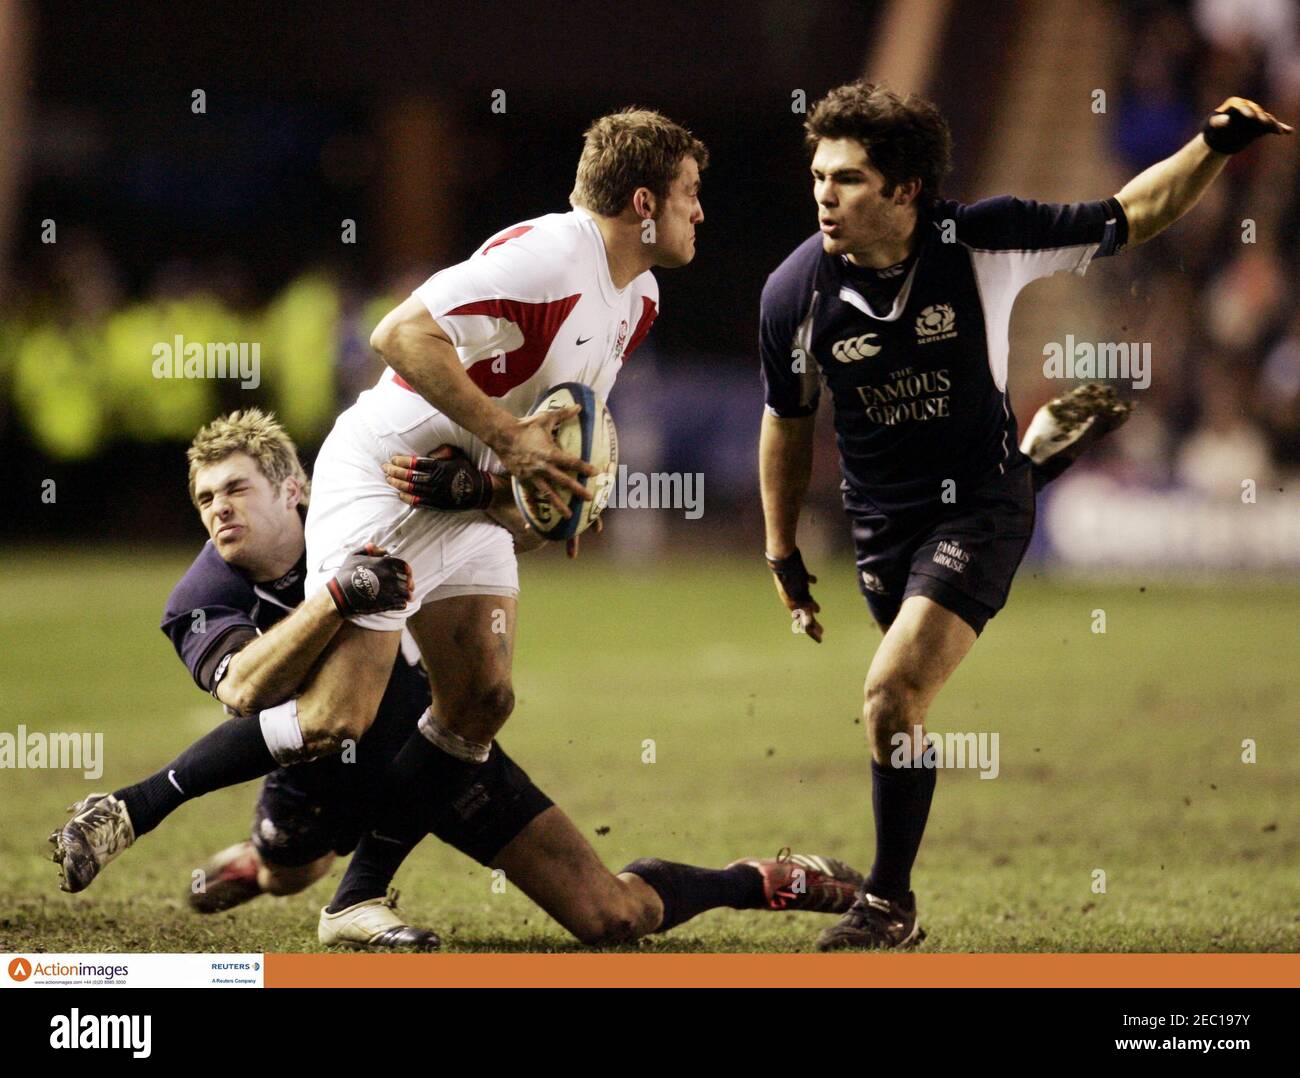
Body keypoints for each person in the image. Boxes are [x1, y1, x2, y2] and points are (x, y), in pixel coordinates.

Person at [757, 82, 1291, 950]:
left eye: (848, 178)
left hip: (976, 507)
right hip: (881, 524)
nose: (824, 193)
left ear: (904, 189)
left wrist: (1213, 146)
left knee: (890, 694)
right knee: (906, 718)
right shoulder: (794, 295)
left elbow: (1131, 213)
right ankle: (1039, 461)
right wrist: (781, 550)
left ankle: (889, 904)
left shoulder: (980, 237)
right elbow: (785, 423)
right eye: (819, 174)